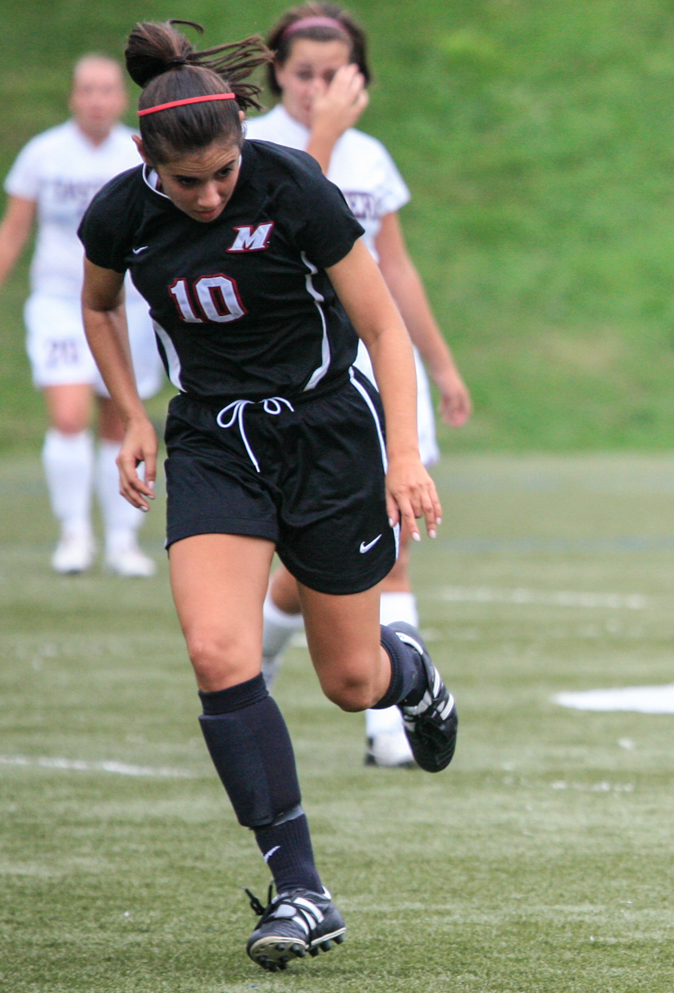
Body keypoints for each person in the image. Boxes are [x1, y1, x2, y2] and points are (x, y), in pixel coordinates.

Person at [79, 20, 461, 971]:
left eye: (222, 173)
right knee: (217, 651)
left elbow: (382, 325)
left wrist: (404, 456)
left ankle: (408, 672)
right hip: (213, 440)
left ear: (244, 142)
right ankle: (300, 889)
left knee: (349, 682)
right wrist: (130, 414)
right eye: (186, 182)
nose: (208, 195)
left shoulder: (294, 186)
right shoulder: (121, 212)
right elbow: (97, 305)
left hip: (329, 434)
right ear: (144, 159)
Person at [245, 2, 474, 769]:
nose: (317, 87)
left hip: (379, 368)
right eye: (303, 73)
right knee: (304, 569)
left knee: (395, 544)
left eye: (334, 74)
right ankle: (260, 661)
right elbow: (279, 245)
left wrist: (439, 362)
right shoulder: (250, 152)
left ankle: (391, 729)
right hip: (304, 378)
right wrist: (327, 135)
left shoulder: (371, 157)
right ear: (276, 72)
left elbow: (393, 268)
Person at [0, 54, 166, 576]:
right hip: (59, 303)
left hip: (129, 307)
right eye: (87, 90)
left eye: (106, 89)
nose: (97, 99)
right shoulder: (44, 154)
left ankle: (123, 540)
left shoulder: (140, 155)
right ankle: (75, 533)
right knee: (69, 415)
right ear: (73, 97)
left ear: (122, 99)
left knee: (119, 420)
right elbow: (13, 230)